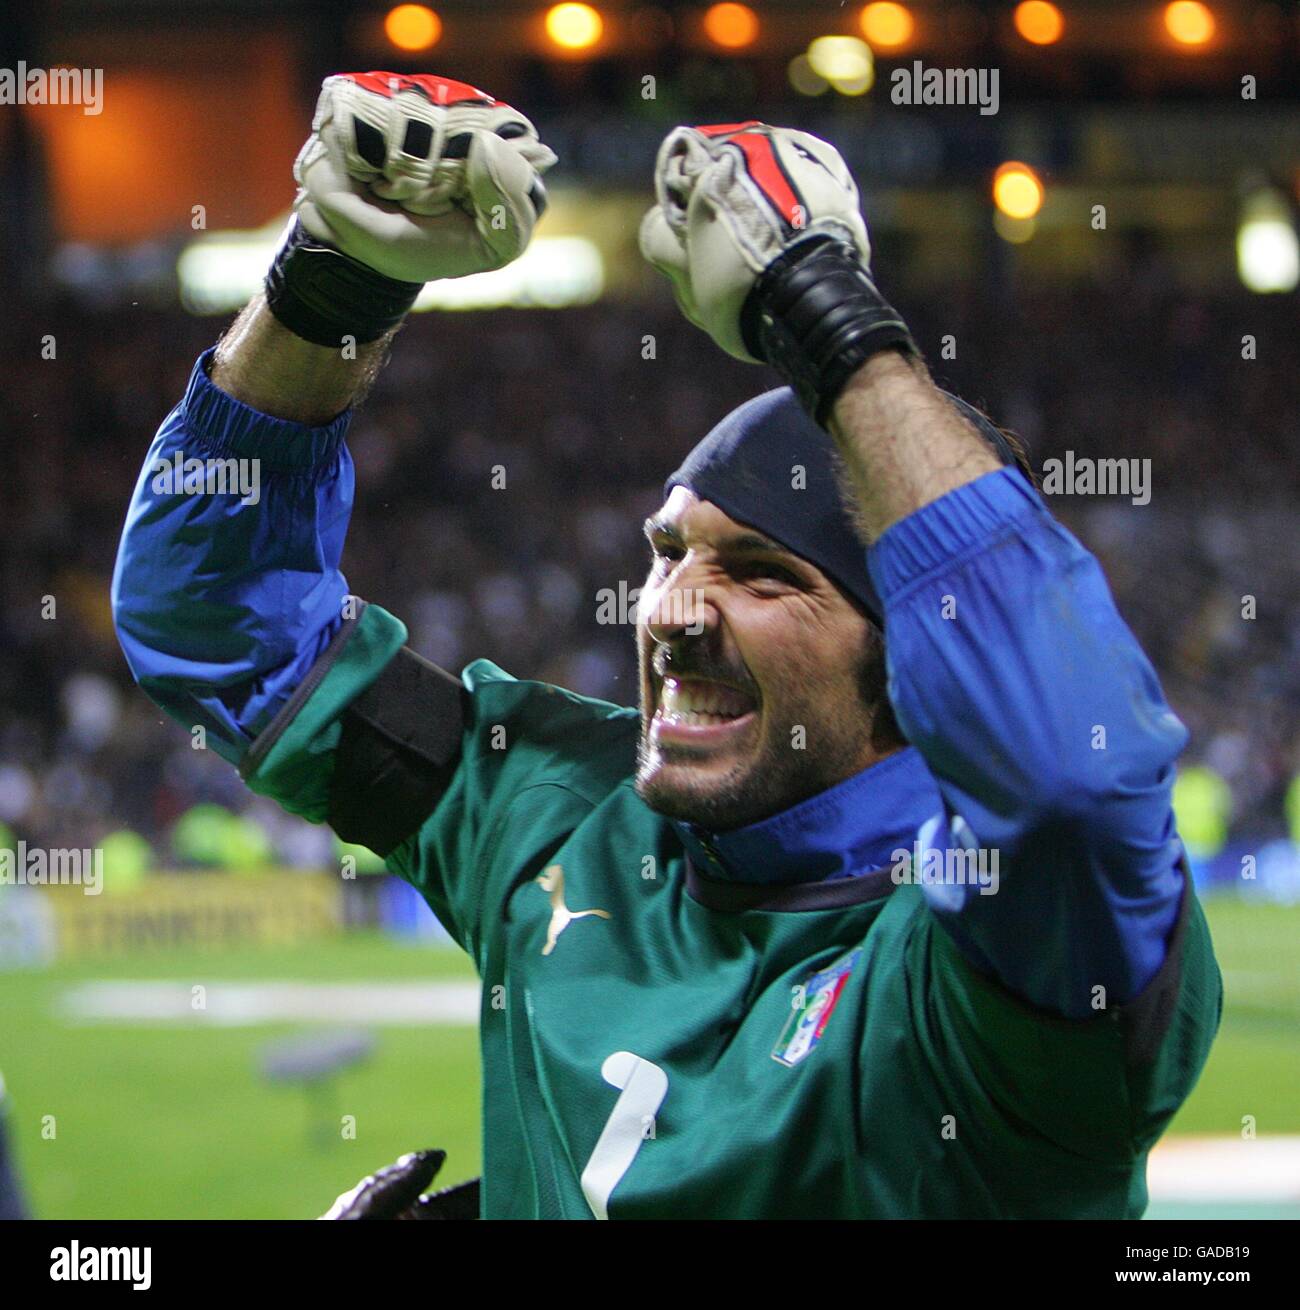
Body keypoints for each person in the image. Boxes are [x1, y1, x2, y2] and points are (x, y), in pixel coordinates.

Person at [112, 73, 1221, 1219]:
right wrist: (330, 284)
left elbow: (1068, 783)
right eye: (667, 553)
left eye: (760, 573)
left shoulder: (984, 974)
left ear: (909, 666)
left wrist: (830, 319)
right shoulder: (556, 817)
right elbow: (215, 626)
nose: (673, 609)